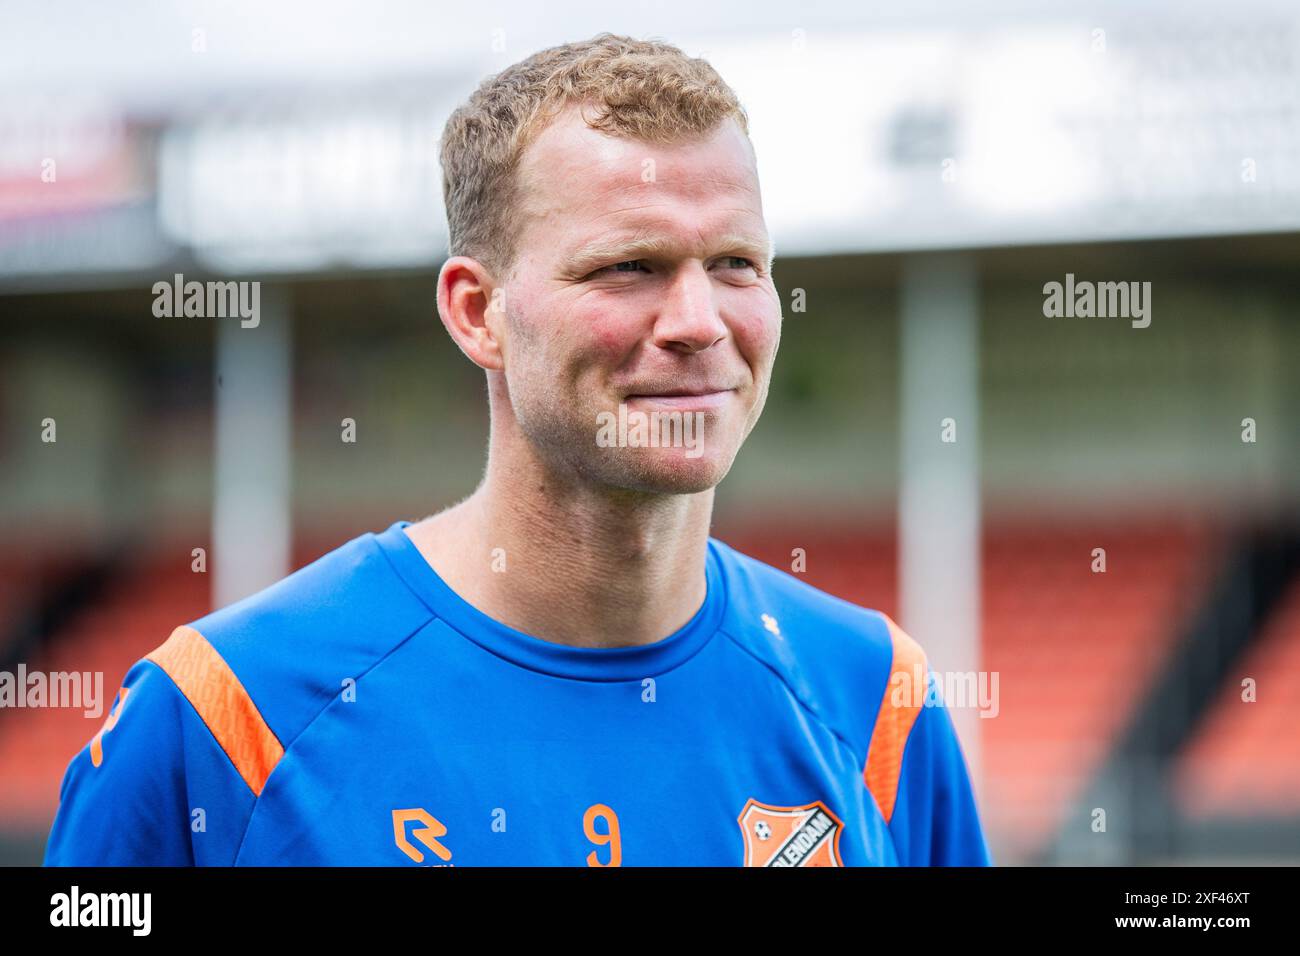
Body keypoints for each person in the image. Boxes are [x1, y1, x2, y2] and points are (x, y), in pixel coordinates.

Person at [44, 33, 991, 866]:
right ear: (476, 311)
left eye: (736, 264)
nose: (700, 322)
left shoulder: (877, 702)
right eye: (630, 266)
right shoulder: (223, 719)